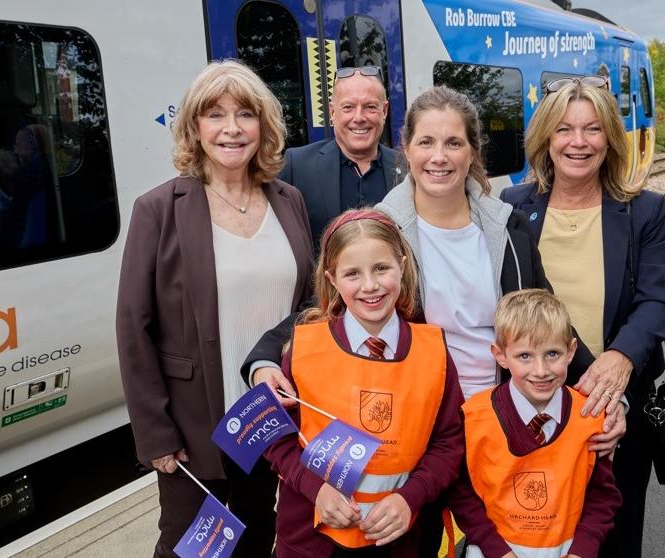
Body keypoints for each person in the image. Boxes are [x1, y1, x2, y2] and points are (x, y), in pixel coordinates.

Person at [245, 86, 625, 556]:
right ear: (406, 149)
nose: (439, 157)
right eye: (426, 142)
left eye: (454, 143)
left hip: (499, 425)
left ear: (473, 152)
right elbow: (320, 304)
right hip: (417, 431)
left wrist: (604, 394)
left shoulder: (509, 229)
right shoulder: (378, 229)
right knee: (419, 540)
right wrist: (263, 359)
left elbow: (545, 321)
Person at [115, 60, 314, 558]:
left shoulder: (288, 200)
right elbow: (133, 327)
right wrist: (155, 434)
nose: (231, 128)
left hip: (270, 418)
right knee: (190, 546)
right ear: (194, 128)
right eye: (215, 115)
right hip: (193, 426)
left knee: (252, 539)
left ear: (263, 128)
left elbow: (309, 303)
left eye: (245, 114)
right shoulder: (159, 210)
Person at [500, 76, 665, 558]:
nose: (578, 142)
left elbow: (657, 300)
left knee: (614, 535)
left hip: (616, 412)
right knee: (533, 532)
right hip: (532, 407)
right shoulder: (512, 209)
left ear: (610, 140)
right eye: (564, 130)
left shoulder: (644, 211)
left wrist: (620, 360)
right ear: (545, 139)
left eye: (593, 129)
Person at [264, 208, 464, 557]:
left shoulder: (432, 351)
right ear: (332, 279)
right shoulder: (305, 349)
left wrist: (410, 497)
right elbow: (277, 436)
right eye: (352, 274)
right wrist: (317, 490)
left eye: (381, 268)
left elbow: (449, 442)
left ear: (402, 266)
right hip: (313, 538)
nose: (370, 286)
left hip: (397, 538)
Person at [448, 289, 622, 558]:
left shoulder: (589, 418)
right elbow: (461, 493)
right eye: (525, 356)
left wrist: (582, 551)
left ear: (571, 351)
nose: (541, 370)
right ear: (500, 355)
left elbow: (602, 497)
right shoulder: (473, 417)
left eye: (552, 353)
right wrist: (496, 549)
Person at [279, 66, 400, 247]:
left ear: (384, 111)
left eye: (370, 107)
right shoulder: (296, 166)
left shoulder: (407, 168)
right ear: (332, 112)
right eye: (348, 107)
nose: (359, 117)